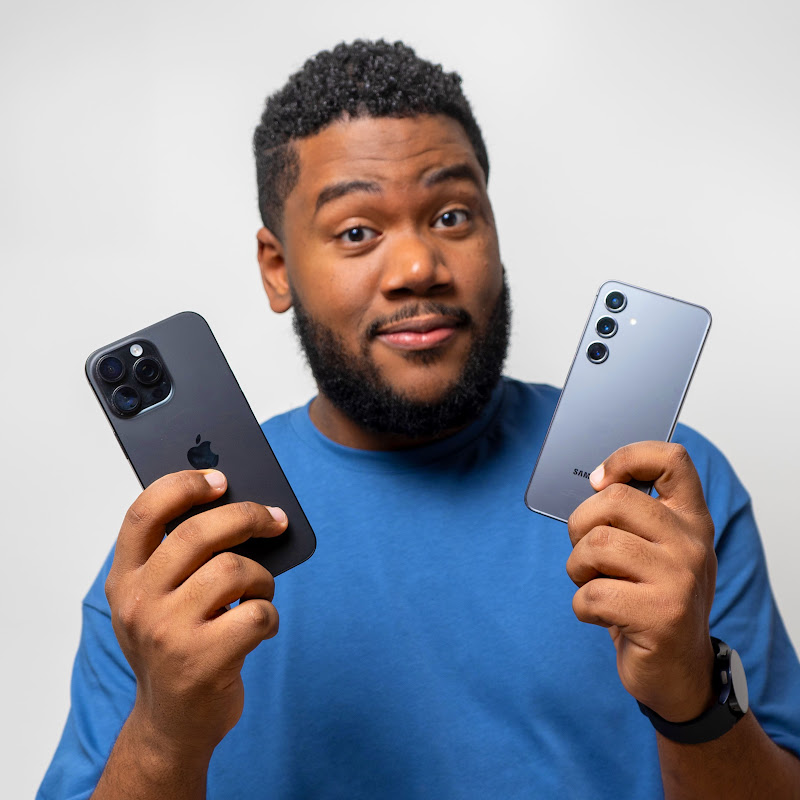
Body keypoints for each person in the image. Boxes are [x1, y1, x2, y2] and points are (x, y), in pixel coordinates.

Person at [39, 40, 800, 799]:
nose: (418, 268)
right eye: (356, 232)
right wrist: (165, 731)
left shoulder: (665, 492)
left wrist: (690, 695)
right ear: (278, 268)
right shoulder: (180, 552)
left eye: (452, 215)